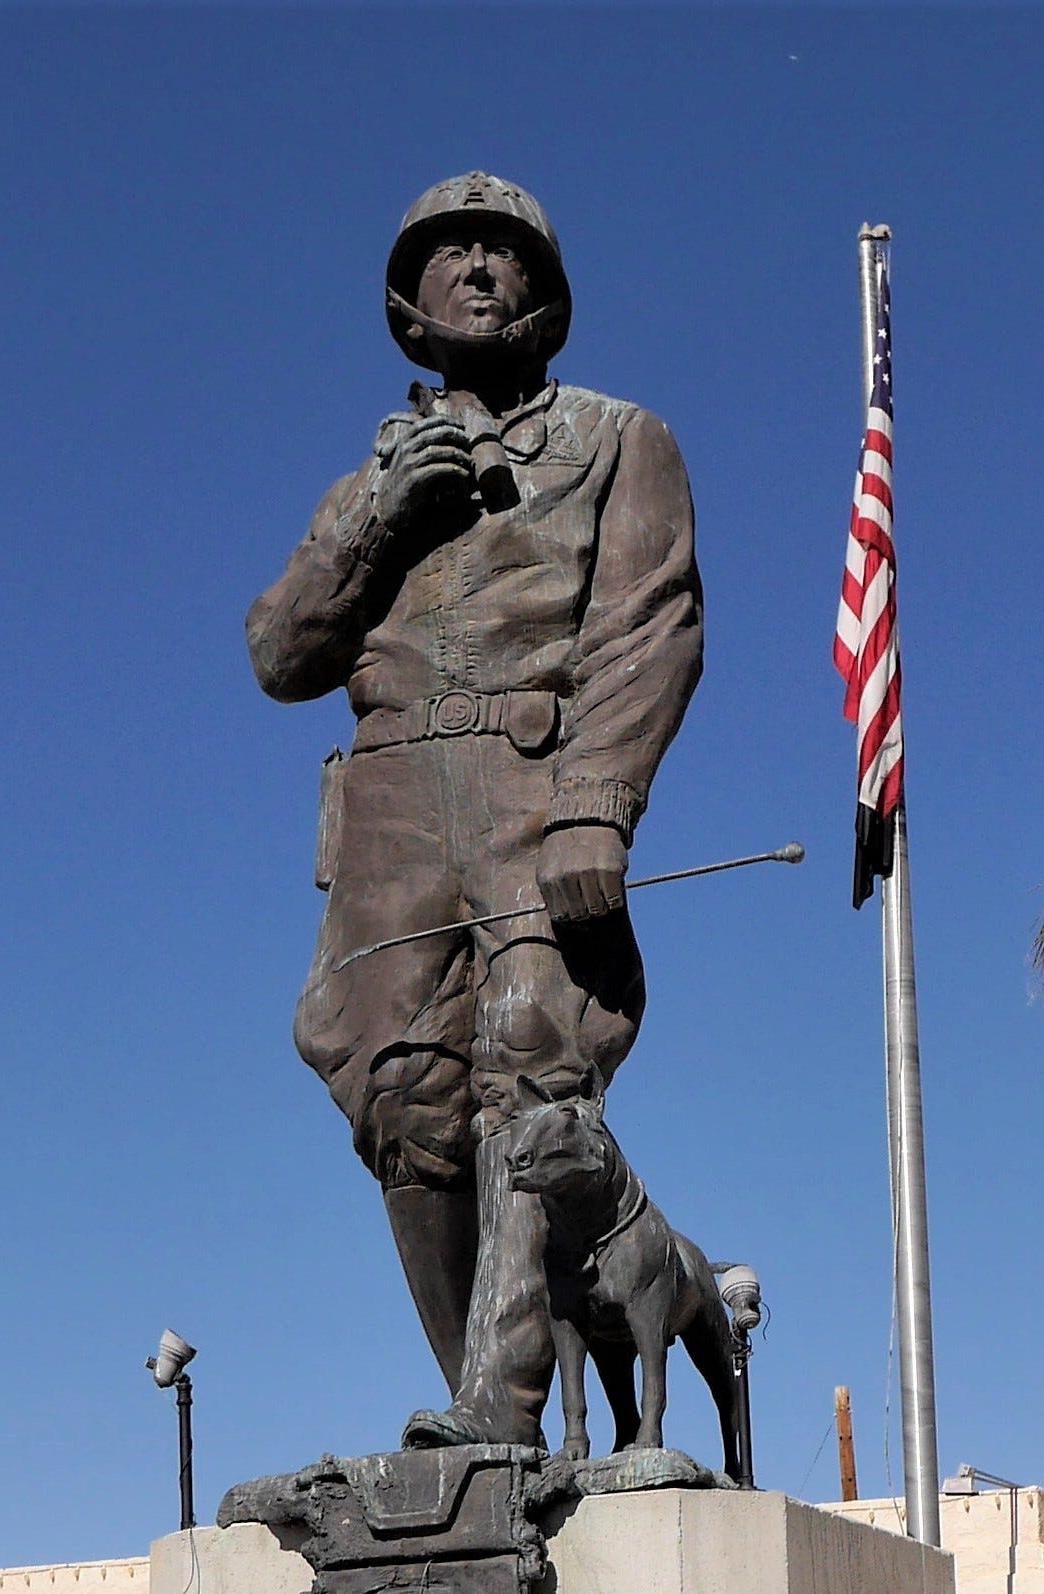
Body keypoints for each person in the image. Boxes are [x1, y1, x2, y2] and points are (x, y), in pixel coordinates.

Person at [248, 173, 703, 1448]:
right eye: (450, 252)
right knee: (397, 1094)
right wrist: (379, 524)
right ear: (409, 302)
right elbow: (280, 656)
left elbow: (648, 629)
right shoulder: (372, 480)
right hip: (388, 807)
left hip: (529, 781)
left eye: (505, 251)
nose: (480, 268)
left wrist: (596, 806)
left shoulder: (620, 438)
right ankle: (493, 1390)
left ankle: (497, 1408)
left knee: (530, 1062)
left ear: (547, 296)